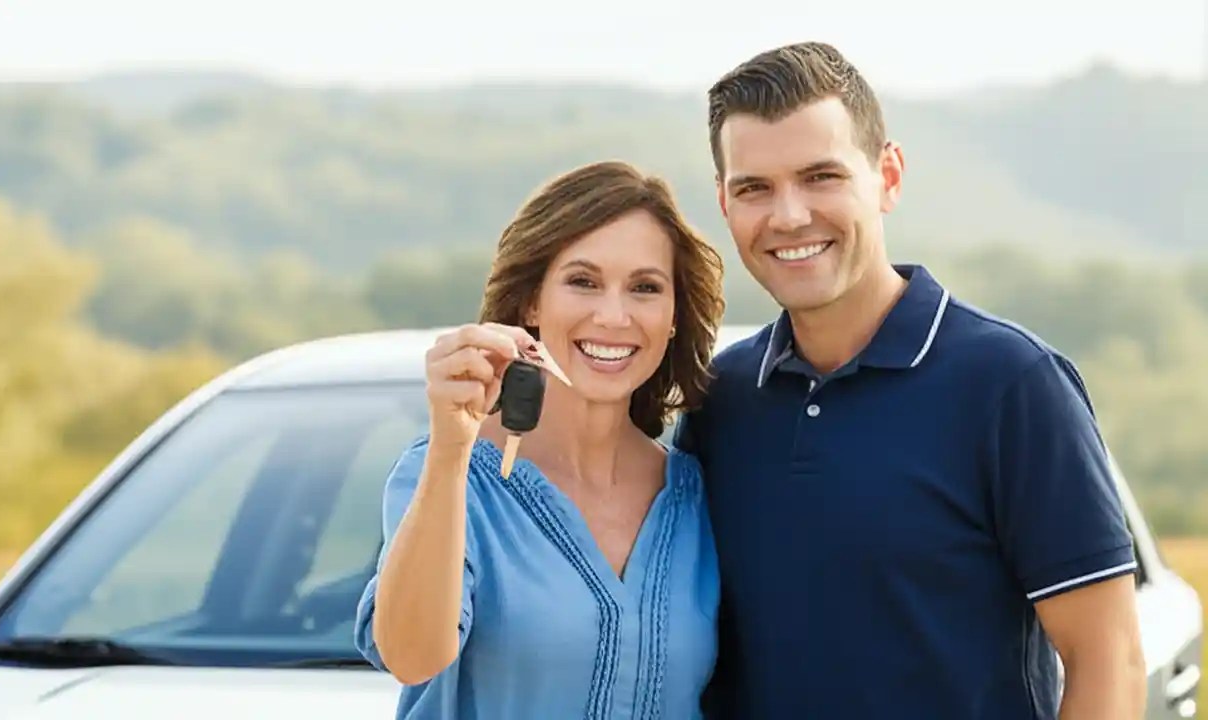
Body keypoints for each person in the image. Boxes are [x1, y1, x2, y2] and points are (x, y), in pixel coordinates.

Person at [675, 42, 1147, 719]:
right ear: (725, 203)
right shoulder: (720, 399)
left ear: (887, 177)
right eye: (755, 188)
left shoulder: (1011, 386)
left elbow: (1110, 662)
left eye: (821, 177)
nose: (788, 216)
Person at [353, 160, 726, 719]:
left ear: (674, 314)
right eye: (583, 281)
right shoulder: (454, 477)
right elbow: (412, 656)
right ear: (532, 302)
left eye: (645, 288)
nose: (613, 315)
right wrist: (451, 450)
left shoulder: (698, 494)